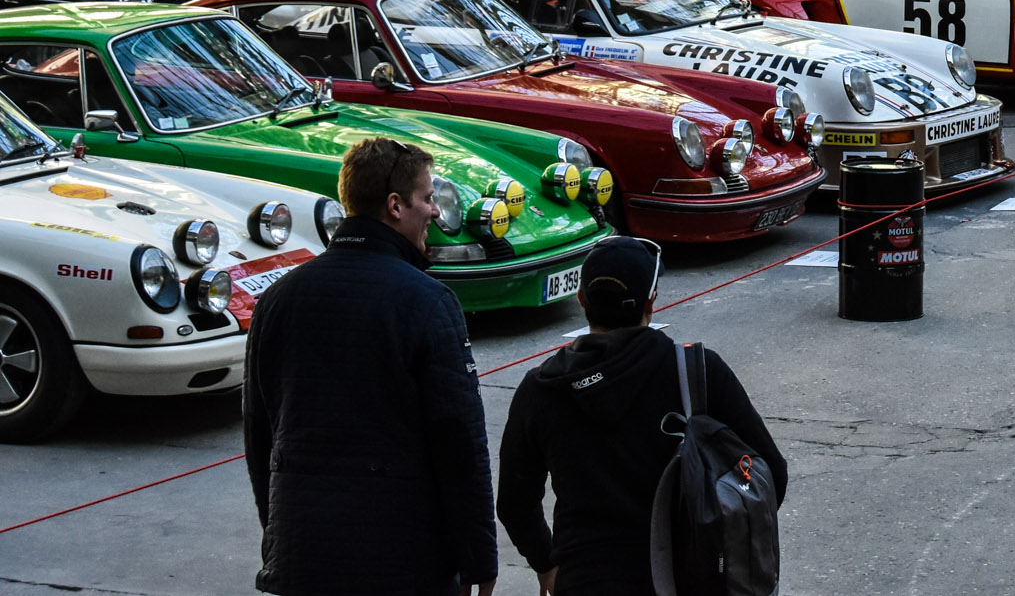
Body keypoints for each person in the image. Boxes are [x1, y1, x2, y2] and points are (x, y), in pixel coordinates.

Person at [244, 138, 499, 596]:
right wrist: (478, 558)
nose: (436, 213)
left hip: (302, 552)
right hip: (403, 559)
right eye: (427, 198)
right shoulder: (427, 300)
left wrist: (279, 538)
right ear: (395, 205)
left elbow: (260, 433)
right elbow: (458, 439)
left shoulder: (280, 299)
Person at [497, 236, 786, 596]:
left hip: (585, 580)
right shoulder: (697, 372)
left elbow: (514, 504)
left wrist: (546, 564)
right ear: (652, 301)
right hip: (685, 577)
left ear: (582, 300)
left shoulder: (541, 390)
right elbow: (769, 474)